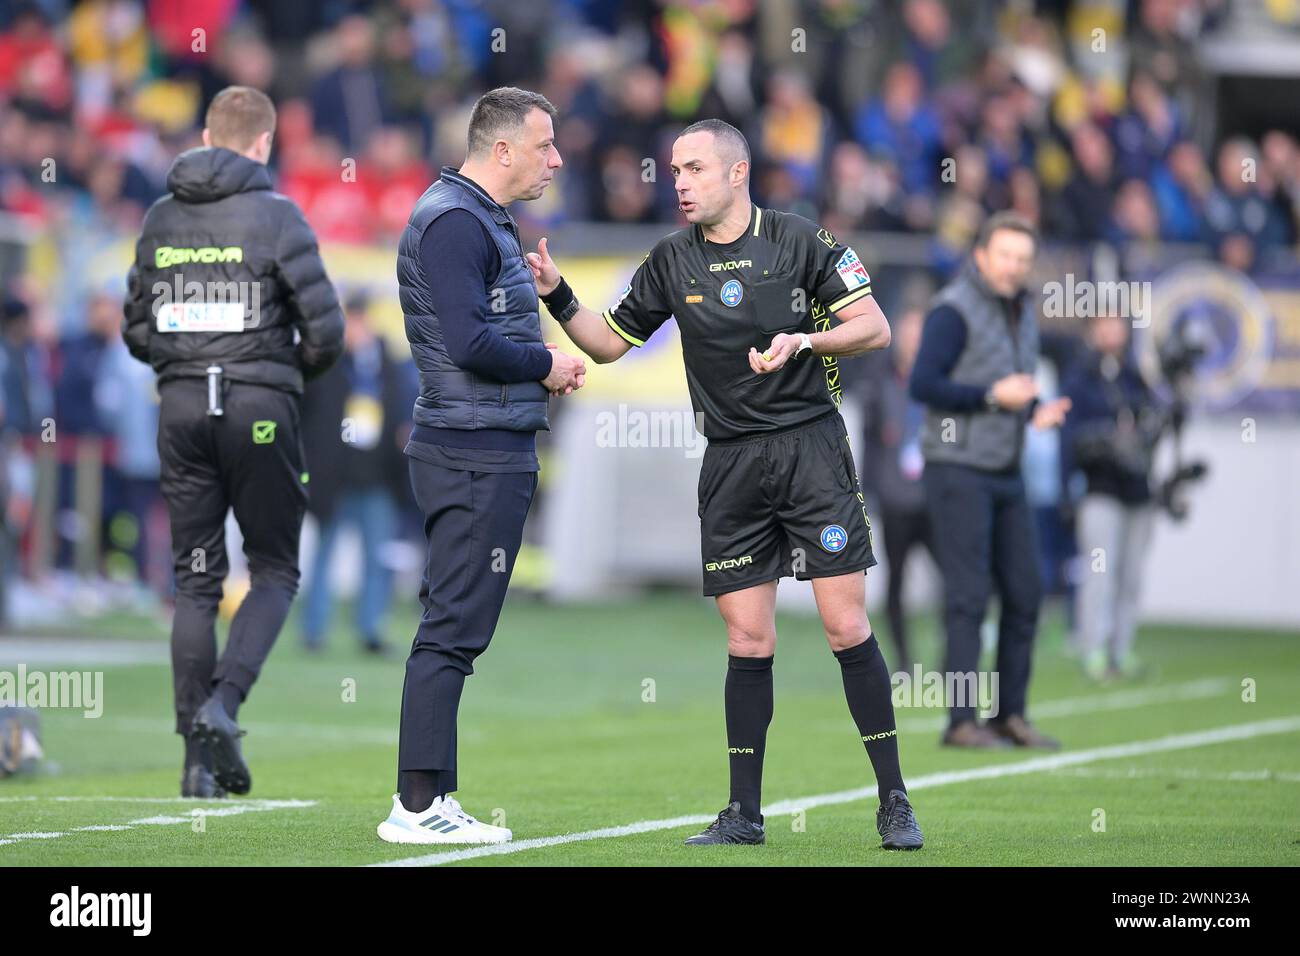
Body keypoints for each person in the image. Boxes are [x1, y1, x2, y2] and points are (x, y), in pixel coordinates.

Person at [531, 119, 924, 850]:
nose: (678, 182)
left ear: (736, 174)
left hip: (811, 451)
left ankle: (894, 799)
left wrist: (805, 339)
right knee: (748, 639)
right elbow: (611, 344)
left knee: (845, 625)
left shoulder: (802, 241)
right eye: (674, 170)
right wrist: (557, 294)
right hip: (731, 463)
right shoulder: (669, 260)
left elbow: (874, 327)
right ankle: (744, 813)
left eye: (694, 169)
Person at [122, 86, 344, 798]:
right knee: (275, 569)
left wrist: (185, 365)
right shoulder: (277, 216)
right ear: (263, 144)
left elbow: (134, 328)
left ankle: (195, 763)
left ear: (207, 135)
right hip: (259, 410)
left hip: (181, 407)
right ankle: (225, 705)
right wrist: (280, 373)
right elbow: (329, 332)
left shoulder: (161, 215)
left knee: (194, 581)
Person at [377, 87, 585, 845]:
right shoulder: (456, 220)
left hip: (478, 444)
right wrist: (547, 365)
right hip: (469, 448)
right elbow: (467, 344)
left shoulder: (474, 216)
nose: (556, 159)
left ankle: (431, 798)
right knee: (451, 628)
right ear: (502, 150)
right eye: (544, 144)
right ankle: (416, 806)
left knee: (456, 625)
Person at [909, 212, 1070, 750]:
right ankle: (959, 723)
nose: (1014, 267)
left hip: (1005, 469)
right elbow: (924, 384)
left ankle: (1009, 716)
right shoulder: (952, 309)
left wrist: (1034, 410)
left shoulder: (1021, 310)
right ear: (981, 255)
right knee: (968, 597)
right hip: (956, 468)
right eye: (1005, 255)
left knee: (1026, 591)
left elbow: (1010, 388)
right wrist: (991, 398)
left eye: (1023, 259)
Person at [300, 291, 408, 654]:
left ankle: (371, 630)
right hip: (334, 478)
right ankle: (314, 631)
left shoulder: (384, 362)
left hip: (376, 477)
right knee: (324, 555)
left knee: (376, 557)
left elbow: (400, 408)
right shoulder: (327, 363)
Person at [1061, 313, 1161, 680]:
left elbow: (1154, 426)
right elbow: (1068, 438)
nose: (1109, 332)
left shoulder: (1135, 376)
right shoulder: (1080, 377)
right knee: (1098, 571)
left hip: (1137, 490)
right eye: (1101, 325)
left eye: (1115, 324)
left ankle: (1122, 648)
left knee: (1130, 574)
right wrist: (1066, 489)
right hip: (1100, 488)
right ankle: (1094, 649)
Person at [859, 307, 933, 667]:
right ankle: (905, 662)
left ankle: (953, 663)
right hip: (896, 500)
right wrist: (869, 490)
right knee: (896, 583)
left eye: (921, 334)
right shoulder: (880, 377)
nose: (914, 343)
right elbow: (869, 440)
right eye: (909, 333)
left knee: (958, 581)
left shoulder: (940, 378)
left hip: (935, 499)